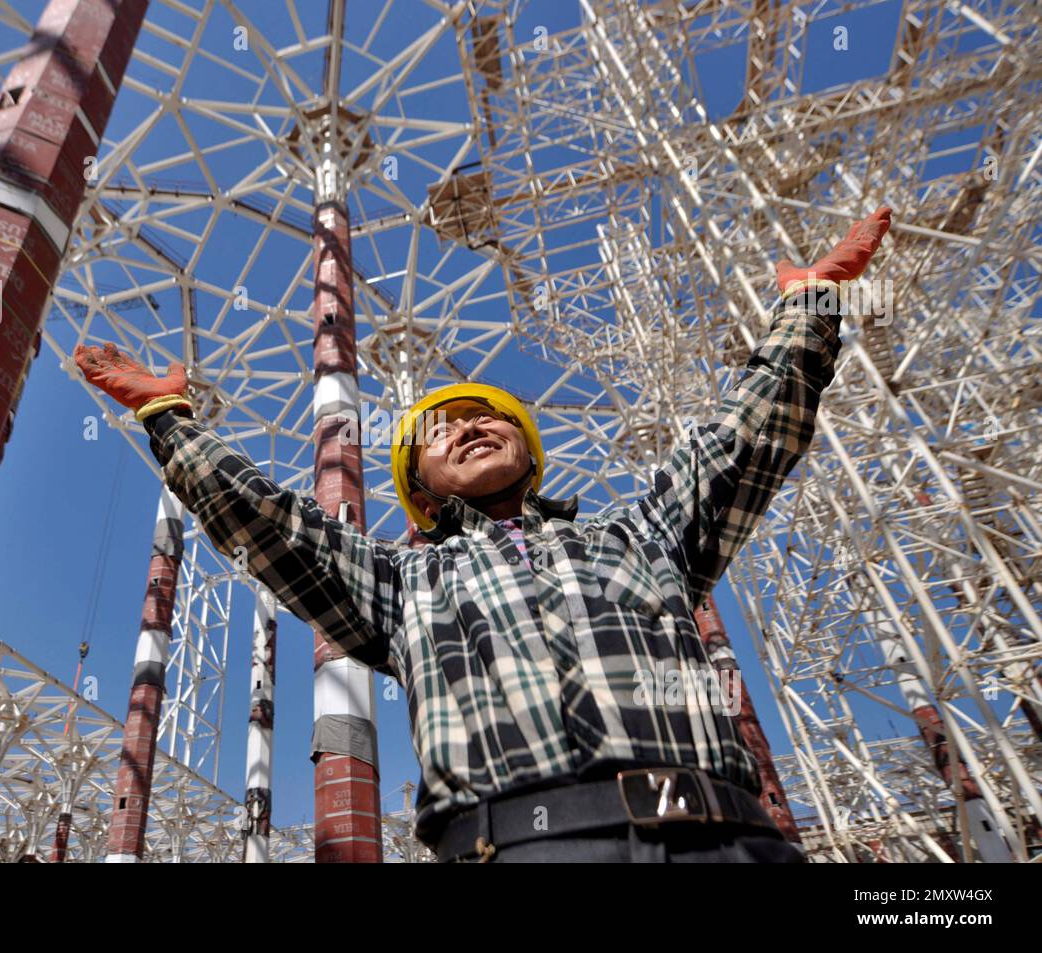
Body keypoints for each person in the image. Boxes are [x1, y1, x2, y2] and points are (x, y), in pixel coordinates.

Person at [75, 207, 892, 862]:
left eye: (488, 417)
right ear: (417, 490)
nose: (468, 426)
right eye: (442, 428)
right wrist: (167, 416)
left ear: (527, 448)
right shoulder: (401, 584)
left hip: (731, 837)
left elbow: (739, 439)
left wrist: (811, 305)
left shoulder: (642, 537)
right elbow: (272, 526)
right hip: (529, 844)